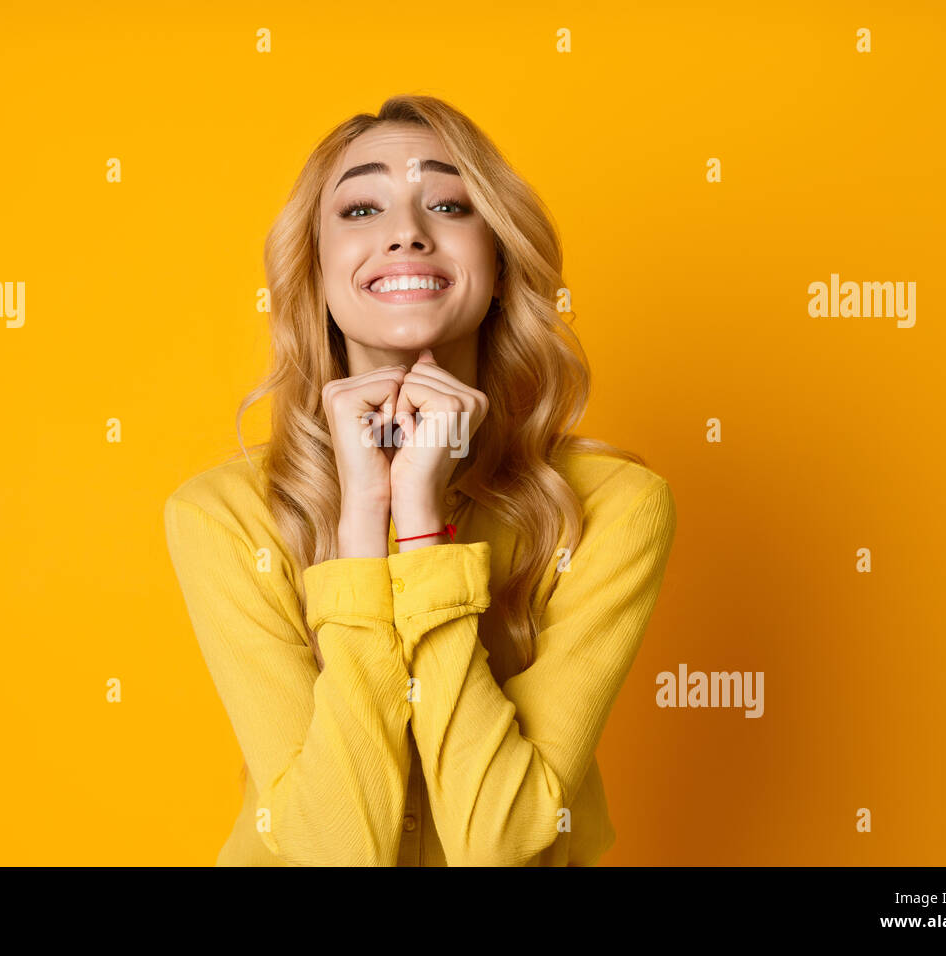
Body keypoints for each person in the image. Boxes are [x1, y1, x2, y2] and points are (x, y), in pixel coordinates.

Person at [164, 94, 677, 866]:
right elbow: (336, 852)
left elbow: (499, 841)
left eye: (447, 202)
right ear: (317, 271)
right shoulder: (223, 517)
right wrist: (363, 516)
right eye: (362, 208)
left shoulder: (613, 508)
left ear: (499, 264)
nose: (406, 231)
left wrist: (420, 520)